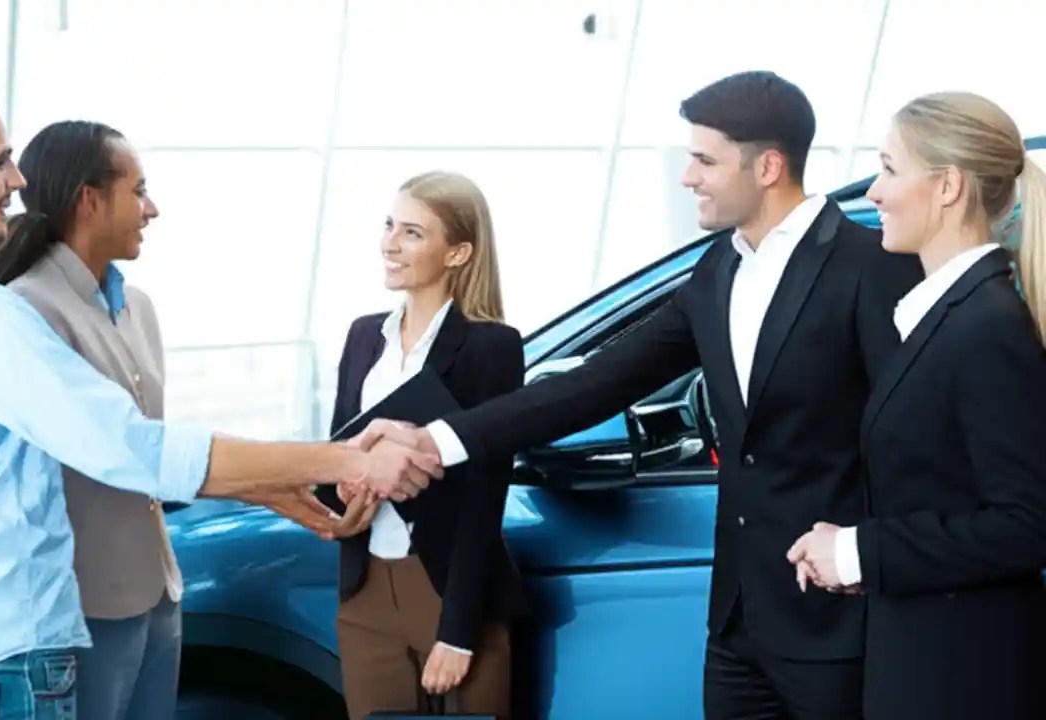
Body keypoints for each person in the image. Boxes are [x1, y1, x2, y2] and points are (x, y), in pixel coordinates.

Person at [0, 55, 438, 720]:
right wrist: (345, 458)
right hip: (8, 651)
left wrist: (275, 486)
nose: (16, 178)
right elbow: (131, 448)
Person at [355, 71, 925, 719]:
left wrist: (868, 560)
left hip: (846, 624)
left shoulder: (874, 264)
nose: (689, 177)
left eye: (705, 160)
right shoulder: (718, 271)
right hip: (738, 632)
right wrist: (436, 439)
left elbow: (920, 440)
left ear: (767, 166)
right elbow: (594, 384)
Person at [786, 92, 1046, 719]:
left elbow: (1028, 523)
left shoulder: (986, 327)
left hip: (965, 679)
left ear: (949, 185)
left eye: (890, 169)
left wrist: (857, 551)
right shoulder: (951, 318)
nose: (874, 192)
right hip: (934, 664)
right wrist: (851, 552)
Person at [0, 120, 186, 720]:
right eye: (138, 190)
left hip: (157, 590)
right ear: (89, 200)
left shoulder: (137, 306)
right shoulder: (26, 308)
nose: (152, 208)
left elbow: (152, 444)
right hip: (86, 606)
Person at [318, 172, 527, 720]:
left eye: (412, 232)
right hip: (365, 587)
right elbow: (340, 448)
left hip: (448, 589)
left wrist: (459, 633)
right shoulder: (364, 336)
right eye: (390, 225)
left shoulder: (492, 347)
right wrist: (342, 486)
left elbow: (487, 493)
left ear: (458, 252)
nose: (390, 243)